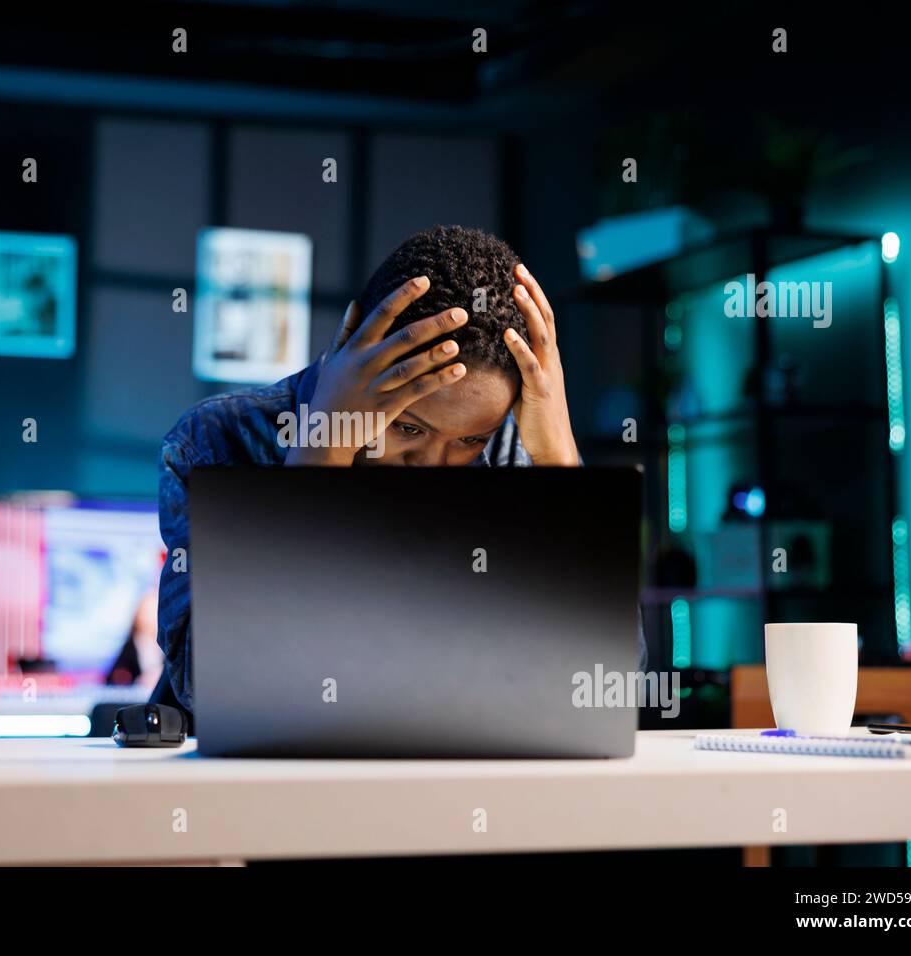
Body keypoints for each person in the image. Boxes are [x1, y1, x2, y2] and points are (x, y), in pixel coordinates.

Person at [155, 224, 644, 716]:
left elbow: (611, 685)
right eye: (410, 429)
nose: (434, 464)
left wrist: (562, 466)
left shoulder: (514, 450)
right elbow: (208, 682)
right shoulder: (216, 442)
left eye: (471, 440)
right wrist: (320, 453)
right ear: (350, 364)